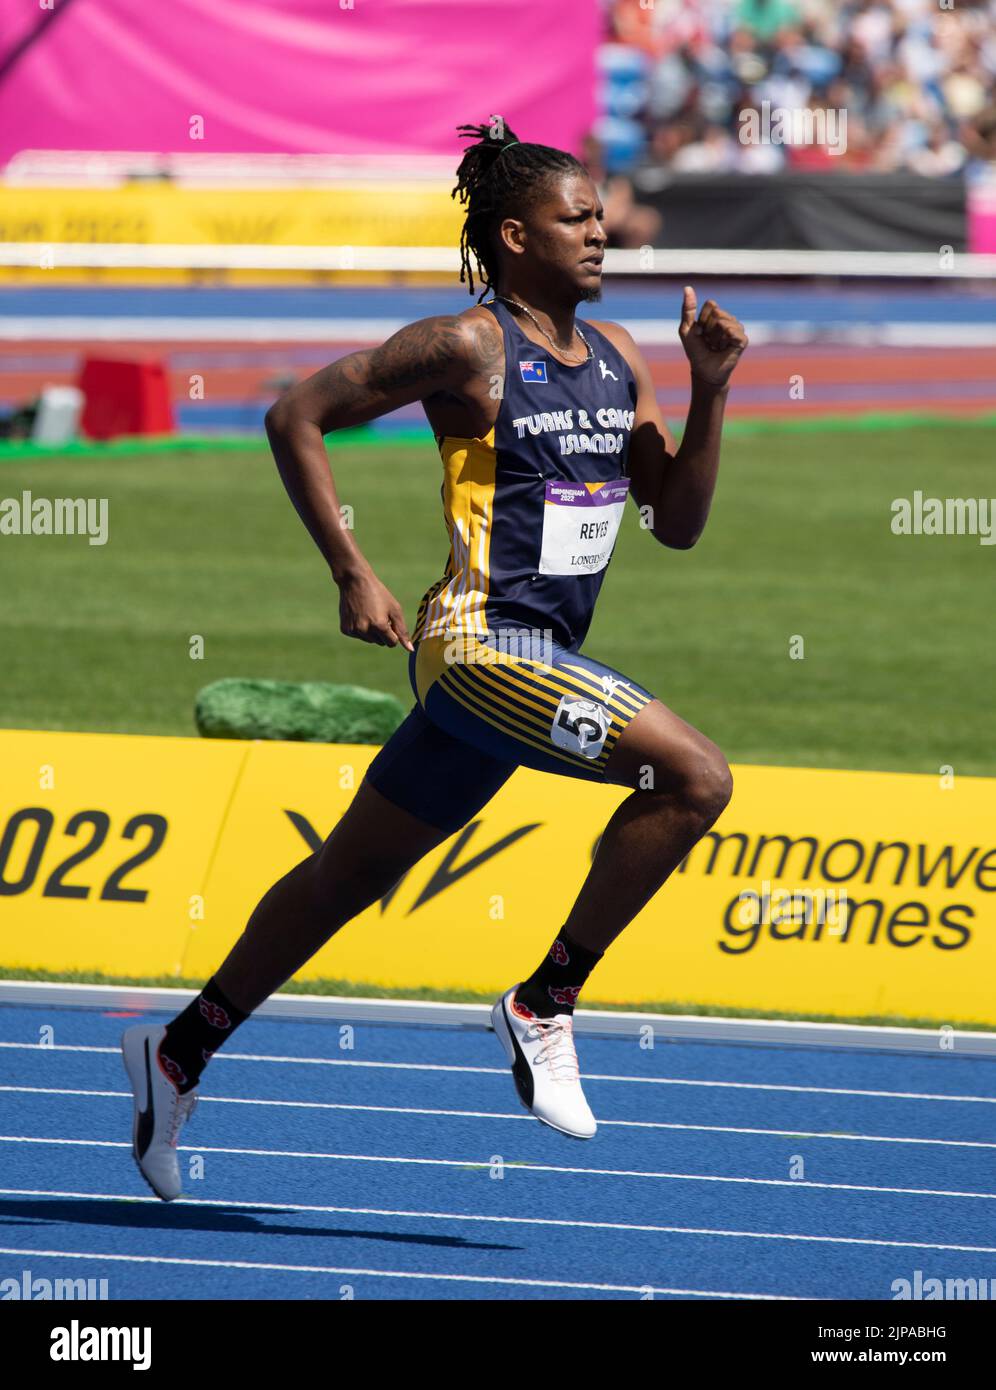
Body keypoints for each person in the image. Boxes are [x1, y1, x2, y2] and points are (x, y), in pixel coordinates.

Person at [121, 119, 748, 1201]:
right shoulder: (470, 346)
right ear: (514, 236)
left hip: (538, 663)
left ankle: (179, 1047)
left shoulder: (619, 358)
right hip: (471, 647)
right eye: (575, 218)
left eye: (601, 216)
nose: (601, 234)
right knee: (695, 775)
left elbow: (679, 525)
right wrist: (351, 571)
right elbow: (295, 414)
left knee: (351, 874)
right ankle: (547, 999)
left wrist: (714, 390)